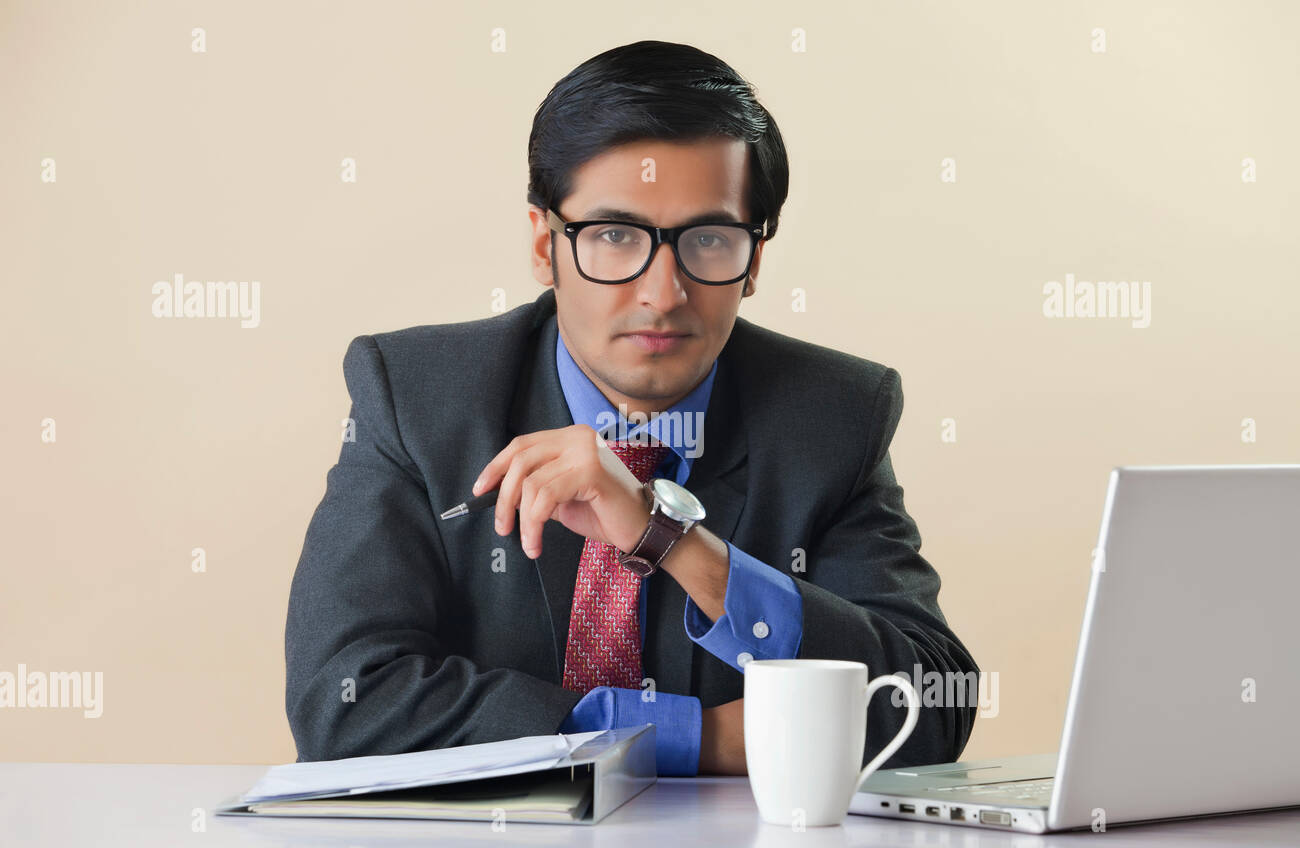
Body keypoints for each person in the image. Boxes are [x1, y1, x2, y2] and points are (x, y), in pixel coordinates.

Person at [285, 39, 979, 776]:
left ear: (756, 262)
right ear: (542, 244)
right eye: (615, 236)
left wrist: (667, 537)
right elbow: (343, 702)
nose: (661, 292)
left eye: (709, 240)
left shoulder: (834, 413)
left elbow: (930, 704)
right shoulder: (417, 395)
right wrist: (684, 740)